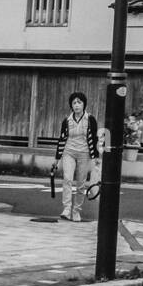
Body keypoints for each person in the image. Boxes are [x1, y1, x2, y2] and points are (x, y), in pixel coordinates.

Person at [52, 92, 100, 222]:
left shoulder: (90, 119)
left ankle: (76, 210)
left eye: (79, 102)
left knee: (80, 184)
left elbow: (94, 139)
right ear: (71, 106)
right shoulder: (66, 121)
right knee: (67, 178)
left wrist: (96, 158)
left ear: (84, 104)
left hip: (84, 154)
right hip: (69, 152)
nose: (77, 105)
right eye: (74, 103)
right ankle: (67, 209)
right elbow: (61, 140)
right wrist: (56, 160)